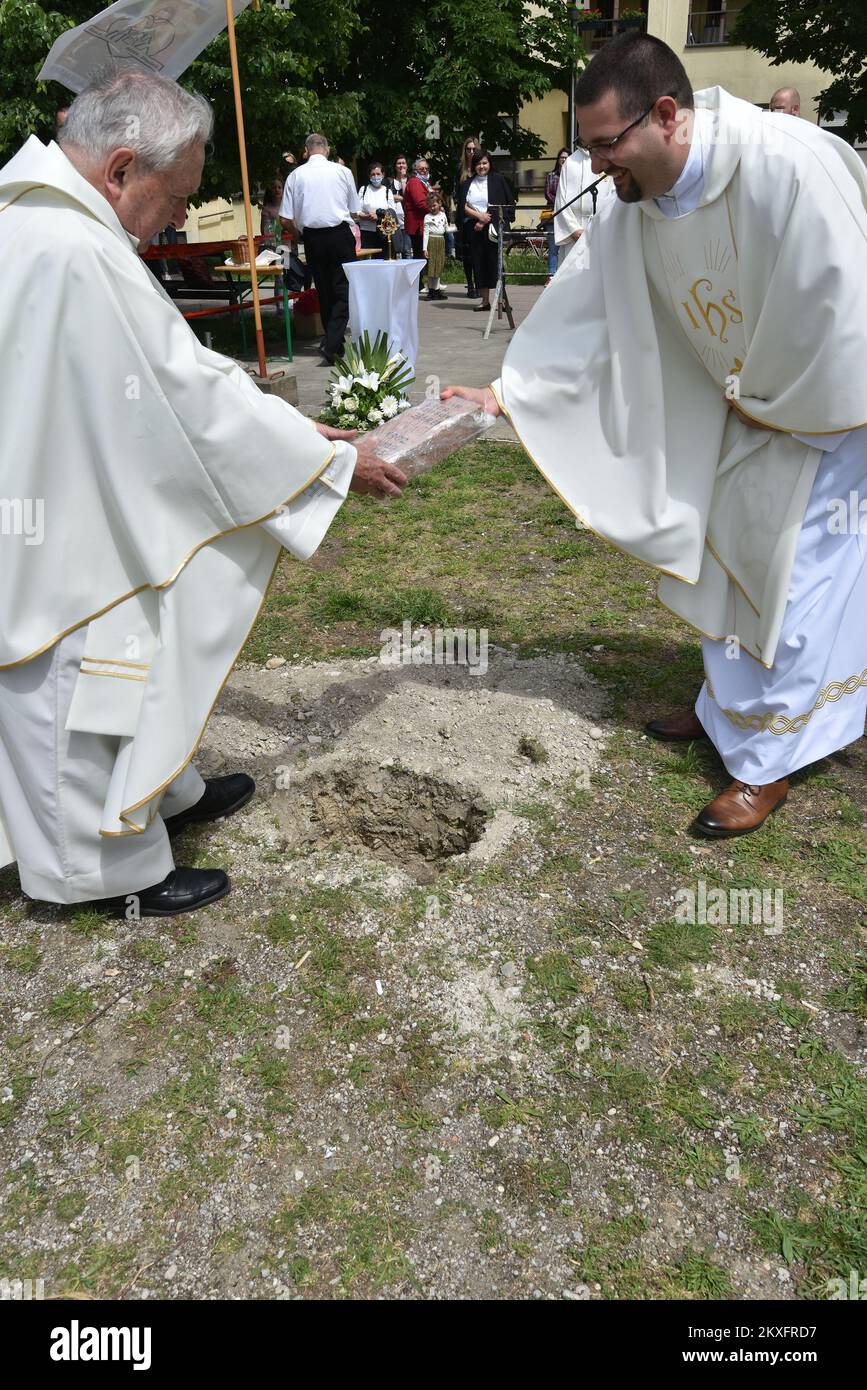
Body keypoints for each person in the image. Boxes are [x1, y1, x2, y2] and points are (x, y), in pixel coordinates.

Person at [0, 71, 406, 916]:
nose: (181, 217)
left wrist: (292, 430)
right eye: (175, 195)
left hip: (73, 483)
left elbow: (168, 364)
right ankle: (93, 874)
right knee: (83, 670)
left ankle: (161, 794)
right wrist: (330, 464)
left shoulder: (59, 221)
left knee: (134, 644)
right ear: (119, 169)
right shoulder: (69, 246)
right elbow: (180, 397)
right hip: (58, 513)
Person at [443, 33, 867, 837]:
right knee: (723, 557)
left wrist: (771, 397)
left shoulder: (784, 165)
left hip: (829, 410)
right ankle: (724, 709)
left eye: (608, 145)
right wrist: (504, 393)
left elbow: (846, 294)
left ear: (665, 115)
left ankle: (766, 760)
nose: (599, 166)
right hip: (747, 406)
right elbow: (584, 305)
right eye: (591, 148)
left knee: (795, 571)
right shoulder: (640, 193)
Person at [279, 132, 360, 364]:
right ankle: (332, 343)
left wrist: (300, 236)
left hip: (313, 238)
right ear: (327, 149)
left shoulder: (295, 175)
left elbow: (284, 219)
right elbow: (354, 211)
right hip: (339, 234)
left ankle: (334, 345)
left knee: (324, 290)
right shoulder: (343, 172)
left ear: (306, 151)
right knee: (344, 290)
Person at [457, 149, 515, 311]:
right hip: (473, 229)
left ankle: (502, 300)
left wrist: (483, 221)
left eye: (484, 163)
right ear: (474, 165)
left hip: (493, 228)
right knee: (478, 263)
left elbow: (504, 204)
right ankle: (485, 301)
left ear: (489, 163)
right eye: (478, 163)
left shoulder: (498, 180)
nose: (481, 166)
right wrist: (478, 216)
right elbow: (463, 206)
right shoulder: (468, 183)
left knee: (495, 264)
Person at [552, 144, 614, 269]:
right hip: (574, 233)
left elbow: (613, 196)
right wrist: (573, 230)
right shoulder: (570, 162)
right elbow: (561, 200)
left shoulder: (608, 159)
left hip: (601, 230)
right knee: (572, 276)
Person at [355, 161, 399, 256]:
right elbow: (357, 210)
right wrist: (366, 216)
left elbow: (392, 213)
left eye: (378, 174)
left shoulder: (387, 192)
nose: (375, 176)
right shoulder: (364, 190)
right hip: (366, 232)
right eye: (373, 174)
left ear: (383, 175)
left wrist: (379, 217)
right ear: (369, 176)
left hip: (383, 234)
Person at [453, 135, 479, 297]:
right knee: (468, 254)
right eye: (468, 149)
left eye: (473, 149)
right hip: (465, 216)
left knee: (478, 252)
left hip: (480, 215)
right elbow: (455, 192)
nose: (471, 152)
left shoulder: (481, 166)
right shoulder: (460, 168)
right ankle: (470, 285)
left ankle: (479, 283)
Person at [403, 156, 433, 291]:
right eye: (421, 168)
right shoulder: (415, 182)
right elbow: (420, 203)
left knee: (421, 254)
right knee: (419, 255)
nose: (424, 170)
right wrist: (435, 209)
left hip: (422, 223)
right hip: (417, 224)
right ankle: (418, 284)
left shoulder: (425, 182)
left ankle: (422, 283)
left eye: (426, 168)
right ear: (415, 170)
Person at [543, 148, 569, 280]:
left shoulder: (573, 176)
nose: (564, 160)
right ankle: (551, 276)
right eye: (561, 157)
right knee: (553, 248)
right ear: (558, 160)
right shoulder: (551, 176)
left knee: (567, 248)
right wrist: (560, 204)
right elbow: (548, 193)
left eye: (566, 157)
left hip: (569, 215)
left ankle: (565, 277)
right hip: (553, 214)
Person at [422, 190, 448, 299]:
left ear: (439, 204)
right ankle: (431, 290)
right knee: (431, 267)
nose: (432, 208)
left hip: (440, 241)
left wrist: (455, 229)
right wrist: (425, 248)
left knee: (438, 266)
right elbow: (426, 233)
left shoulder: (443, 215)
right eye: (430, 206)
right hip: (432, 242)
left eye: (434, 205)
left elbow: (445, 228)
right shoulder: (427, 217)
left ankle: (436, 290)